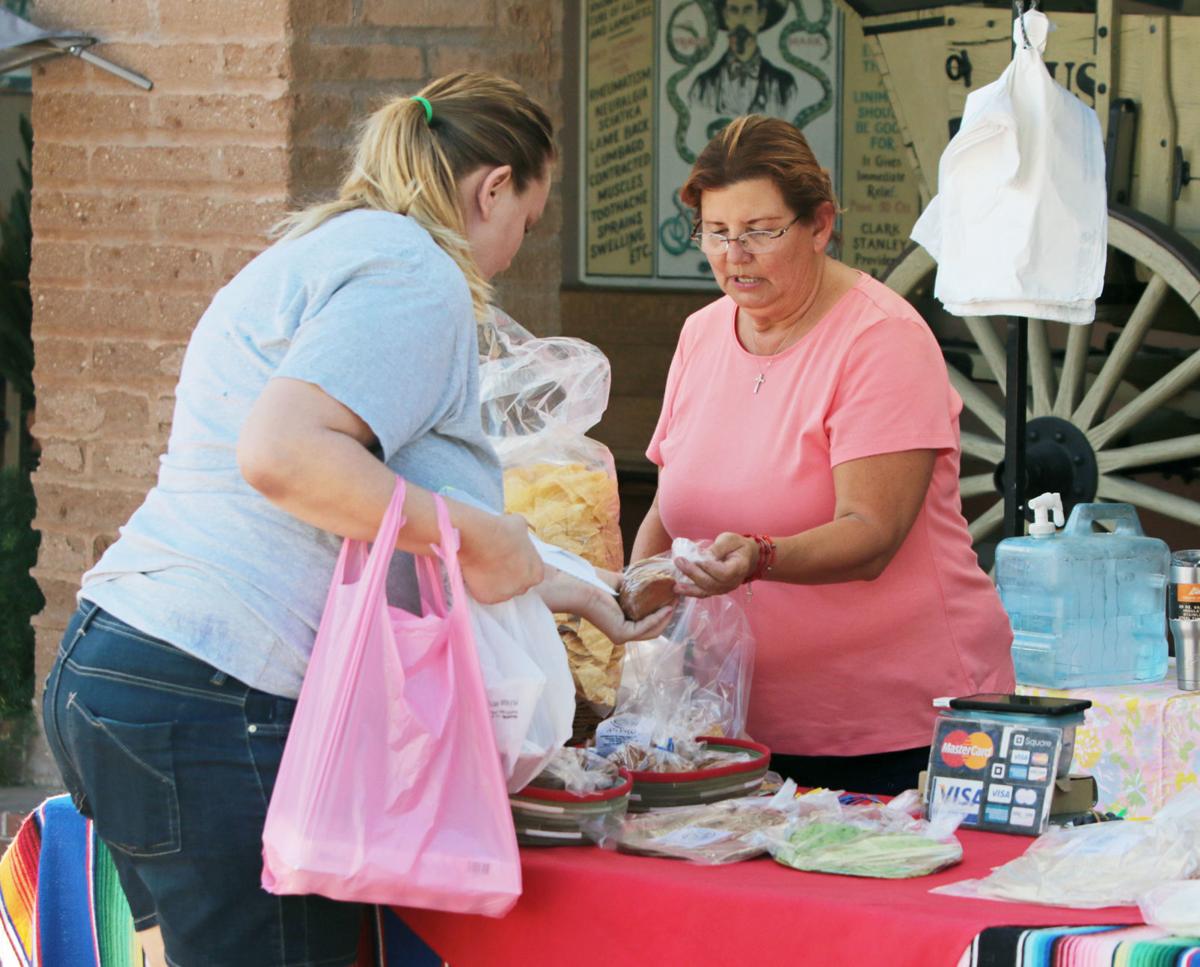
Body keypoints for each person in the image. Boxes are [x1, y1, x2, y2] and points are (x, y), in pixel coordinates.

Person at [41, 71, 668, 967]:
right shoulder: (416, 272)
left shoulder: (331, 248)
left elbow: (384, 498)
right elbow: (286, 455)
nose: (511, 255)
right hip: (216, 694)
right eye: (525, 226)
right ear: (493, 188)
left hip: (126, 670)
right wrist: (474, 531)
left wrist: (580, 587)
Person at [631, 115, 1015, 796]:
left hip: (898, 733)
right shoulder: (701, 335)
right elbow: (670, 506)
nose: (735, 254)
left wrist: (759, 557)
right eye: (717, 233)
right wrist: (634, 613)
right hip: (734, 727)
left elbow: (871, 536)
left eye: (761, 231)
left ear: (820, 225)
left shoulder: (882, 340)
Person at [689, 0, 797, 117]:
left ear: (761, 16)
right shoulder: (702, 87)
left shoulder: (784, 86)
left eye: (748, 10)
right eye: (734, 10)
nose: (740, 19)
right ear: (726, 16)